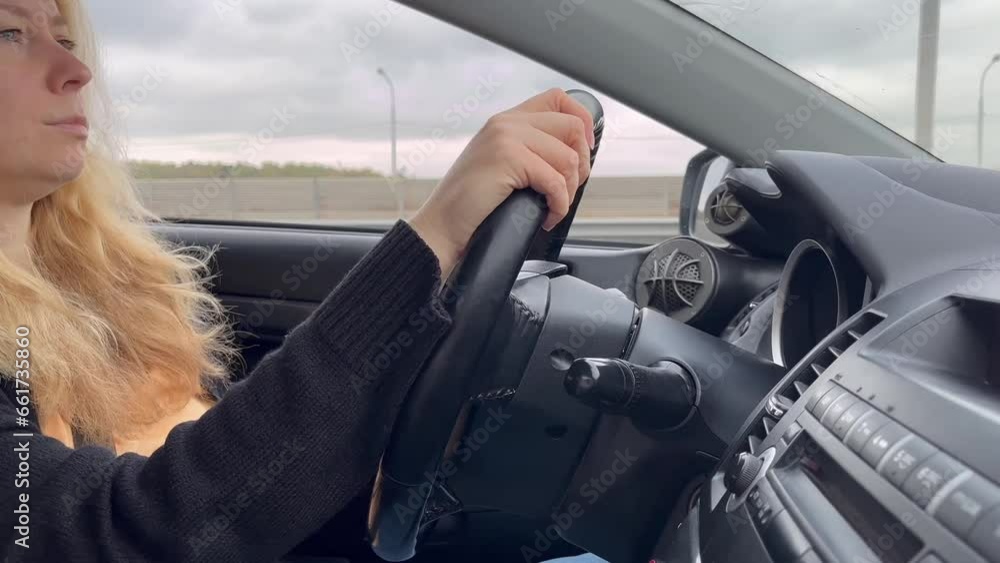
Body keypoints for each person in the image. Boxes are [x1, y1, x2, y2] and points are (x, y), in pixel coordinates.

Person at [0, 0, 598, 560]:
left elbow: (235, 473)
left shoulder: (108, 280)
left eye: (65, 37)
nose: (76, 70)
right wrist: (435, 233)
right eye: (11, 33)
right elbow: (122, 533)